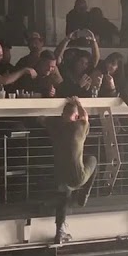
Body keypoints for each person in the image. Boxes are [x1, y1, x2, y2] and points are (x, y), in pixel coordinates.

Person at [42, 97, 97, 244]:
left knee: (64, 196)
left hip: (60, 177)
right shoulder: (77, 127)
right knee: (93, 159)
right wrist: (78, 103)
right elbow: (85, 116)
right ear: (75, 116)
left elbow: (42, 119)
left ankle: (59, 231)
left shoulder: (55, 128)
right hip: (78, 178)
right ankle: (84, 195)